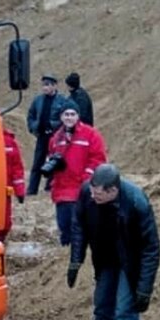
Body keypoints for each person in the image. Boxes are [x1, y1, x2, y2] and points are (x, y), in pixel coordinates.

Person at [66, 164, 160, 320]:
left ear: (112, 190)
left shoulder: (137, 203)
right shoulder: (87, 194)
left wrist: (144, 289)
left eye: (98, 194)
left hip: (130, 263)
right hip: (105, 259)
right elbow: (79, 225)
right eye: (92, 191)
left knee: (125, 314)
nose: (92, 195)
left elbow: (151, 248)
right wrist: (75, 261)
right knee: (102, 310)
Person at [46, 102, 107, 246]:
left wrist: (86, 178)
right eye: (66, 114)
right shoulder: (56, 138)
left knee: (80, 226)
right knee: (64, 226)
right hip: (62, 190)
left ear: (78, 116)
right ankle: (66, 255)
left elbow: (98, 159)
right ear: (61, 117)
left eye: (72, 114)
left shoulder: (90, 134)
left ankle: (80, 254)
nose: (69, 117)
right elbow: (50, 157)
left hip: (81, 189)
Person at [25, 75, 67, 196]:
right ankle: (32, 189)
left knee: (54, 160)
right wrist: (33, 127)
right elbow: (31, 115)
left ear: (54, 86)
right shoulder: (38, 100)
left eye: (48, 85)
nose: (45, 88)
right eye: (44, 85)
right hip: (42, 136)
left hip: (55, 137)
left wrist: (55, 126)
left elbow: (64, 117)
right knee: (37, 162)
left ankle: (50, 186)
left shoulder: (62, 100)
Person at [0, 126, 26, 241]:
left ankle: (0, 241)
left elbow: (16, 168)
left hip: (3, 190)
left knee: (4, 223)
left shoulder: (8, 142)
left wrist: (19, 190)